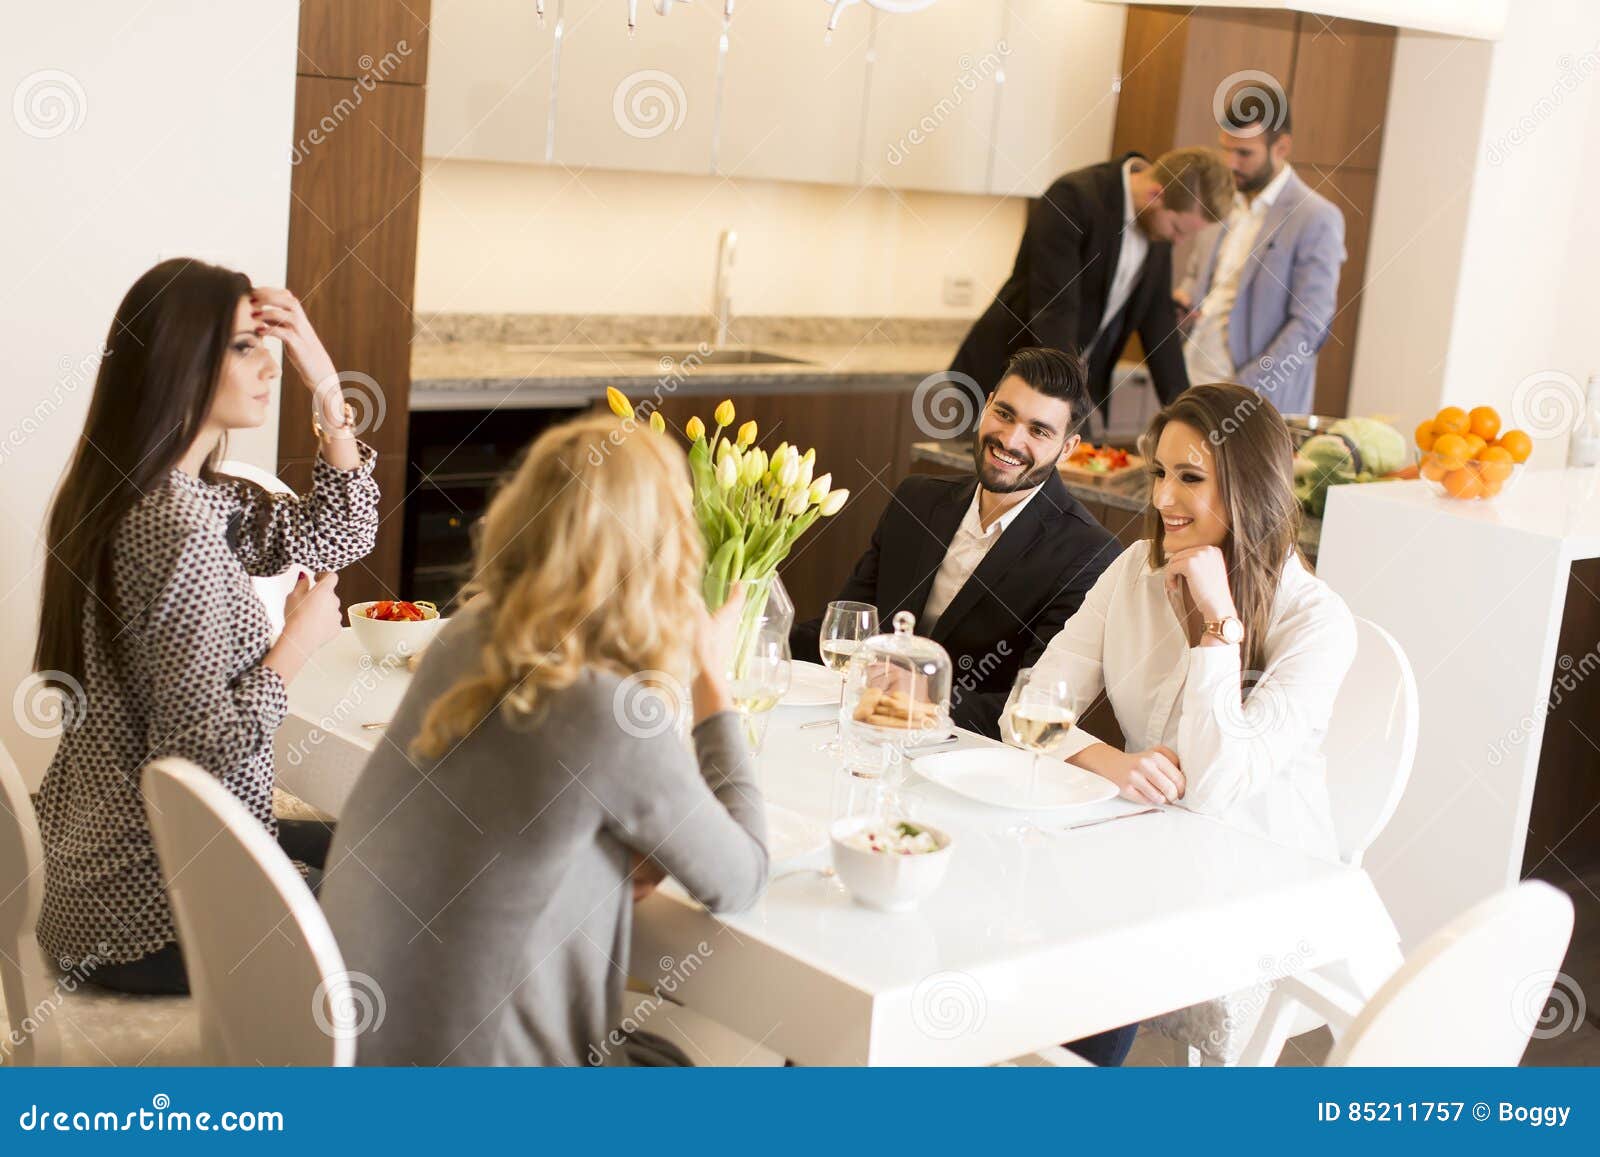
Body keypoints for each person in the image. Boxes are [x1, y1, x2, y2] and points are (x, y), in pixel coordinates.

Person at [320, 413, 768, 1067]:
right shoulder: (613, 713)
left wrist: (609, 847)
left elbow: (516, 805)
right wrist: (711, 677)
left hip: (363, 1054)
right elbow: (743, 877)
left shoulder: (461, 634)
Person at [32, 258, 380, 994]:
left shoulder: (152, 491)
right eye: (244, 347)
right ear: (181, 362)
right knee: (417, 902)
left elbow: (341, 531)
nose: (269, 368)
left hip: (102, 884)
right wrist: (298, 641)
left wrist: (326, 385)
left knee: (381, 846)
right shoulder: (175, 524)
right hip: (151, 912)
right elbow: (201, 755)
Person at [1017, 383, 1357, 1065]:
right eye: (1160, 474)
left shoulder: (1317, 622)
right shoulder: (1131, 574)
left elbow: (1216, 785)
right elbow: (1028, 710)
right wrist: (1110, 762)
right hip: (1149, 845)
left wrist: (1216, 624)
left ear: (1250, 490)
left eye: (1190, 478)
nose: (1162, 499)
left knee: (1094, 943)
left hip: (1258, 874)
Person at [792, 348, 1118, 739]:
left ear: (1067, 448)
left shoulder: (1089, 554)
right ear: (987, 407)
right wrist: (749, 629)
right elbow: (849, 637)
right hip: (862, 728)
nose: (1011, 440)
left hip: (967, 756)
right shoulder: (915, 499)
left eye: (1039, 431)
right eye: (1005, 414)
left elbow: (1037, 704)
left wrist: (929, 696)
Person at [948, 148, 1233, 434]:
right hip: (1003, 377)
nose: (1178, 241)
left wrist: (1191, 418)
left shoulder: (1157, 227)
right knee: (989, 474)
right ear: (1155, 195)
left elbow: (1159, 324)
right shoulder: (1074, 197)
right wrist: (1073, 410)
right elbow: (1056, 312)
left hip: (1065, 387)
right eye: (1177, 229)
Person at [1178, 86, 1346, 415]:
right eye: (1225, 149)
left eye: (1244, 153)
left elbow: (1309, 327)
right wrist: (1183, 301)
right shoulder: (1220, 201)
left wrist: (1245, 390)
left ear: (1281, 147)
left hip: (1254, 402)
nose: (1230, 163)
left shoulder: (1316, 217)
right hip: (1189, 384)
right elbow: (1196, 278)